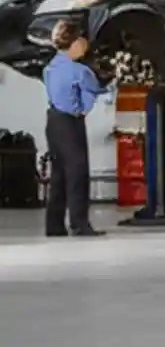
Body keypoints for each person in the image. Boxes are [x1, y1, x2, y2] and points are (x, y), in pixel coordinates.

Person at [43, 20, 110, 237]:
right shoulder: (79, 70)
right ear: (72, 42)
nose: (85, 44)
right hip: (70, 124)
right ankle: (79, 224)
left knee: (59, 175)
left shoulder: (50, 67)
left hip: (53, 122)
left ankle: (54, 225)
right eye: (81, 39)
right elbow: (96, 88)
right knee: (77, 174)